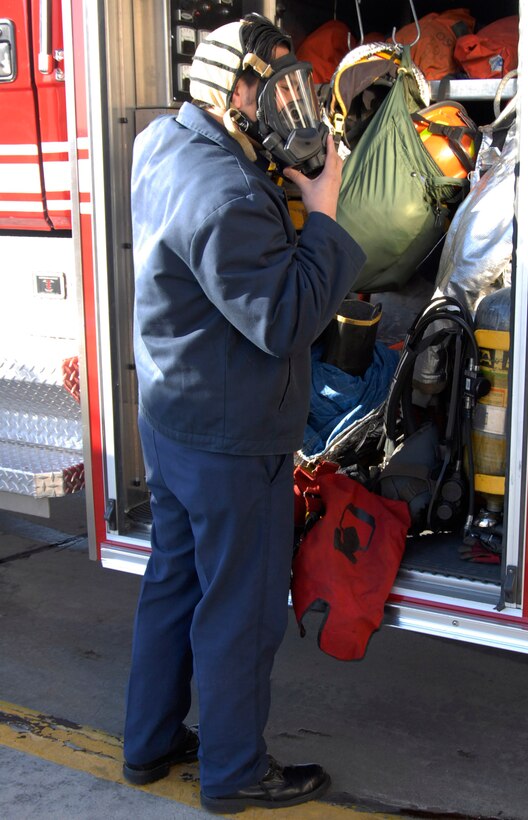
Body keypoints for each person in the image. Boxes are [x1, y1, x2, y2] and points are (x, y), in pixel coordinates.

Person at [123, 13, 365, 814]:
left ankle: (149, 742)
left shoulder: (164, 141)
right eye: (271, 88)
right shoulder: (227, 192)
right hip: (231, 440)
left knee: (174, 581)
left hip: (174, 417)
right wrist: (323, 209)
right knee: (240, 607)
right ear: (230, 93)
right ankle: (233, 772)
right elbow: (286, 318)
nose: (288, 106)